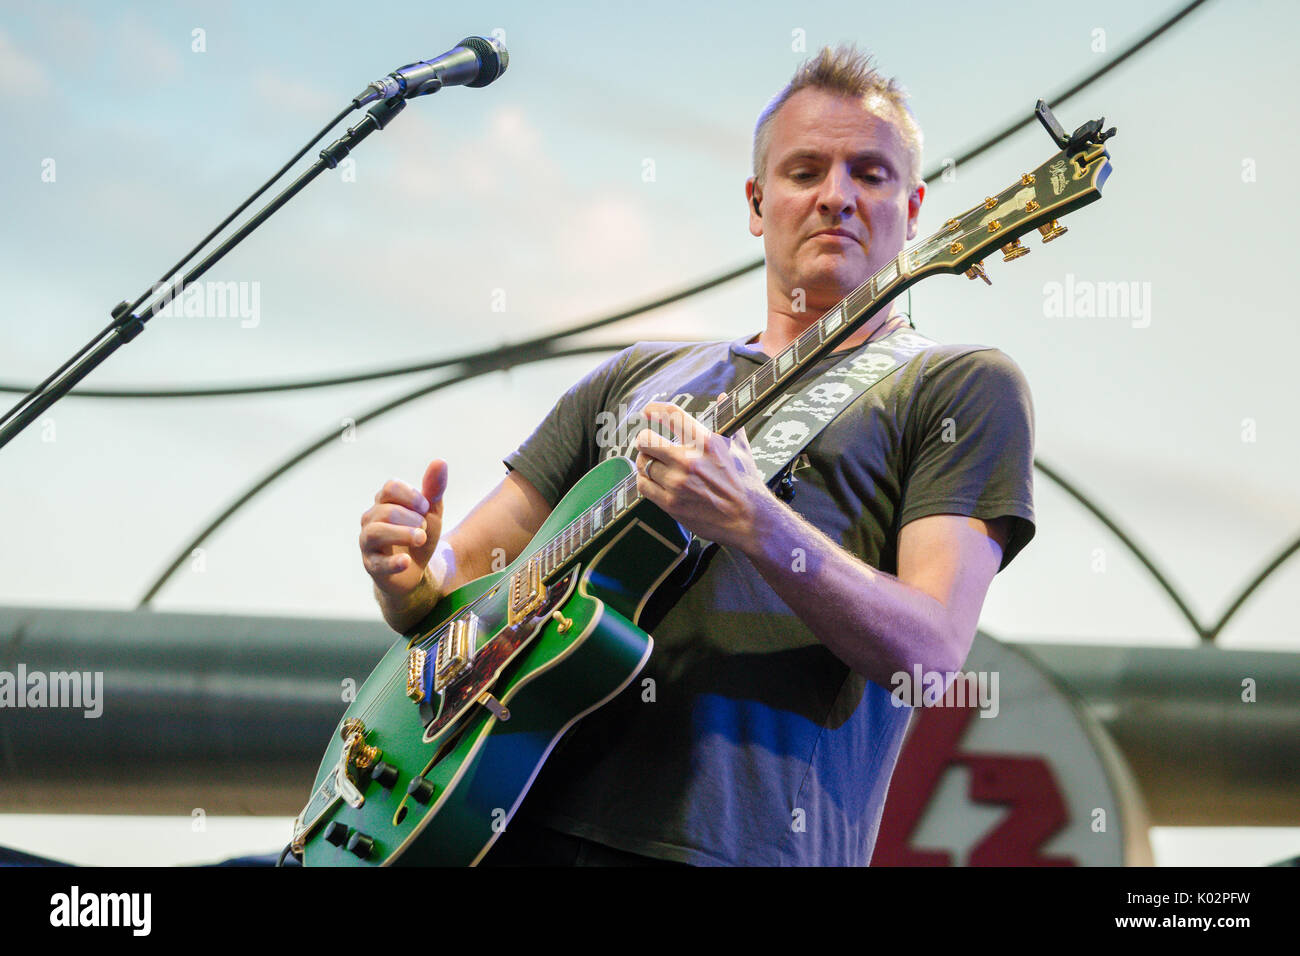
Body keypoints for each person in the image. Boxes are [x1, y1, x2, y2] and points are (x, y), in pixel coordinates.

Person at [357, 45, 1035, 866]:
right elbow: (460, 583)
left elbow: (931, 656)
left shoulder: (957, 386)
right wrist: (410, 583)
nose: (837, 196)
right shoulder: (635, 376)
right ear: (756, 202)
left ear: (915, 206)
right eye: (804, 171)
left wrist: (755, 521)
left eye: (871, 173)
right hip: (509, 819)